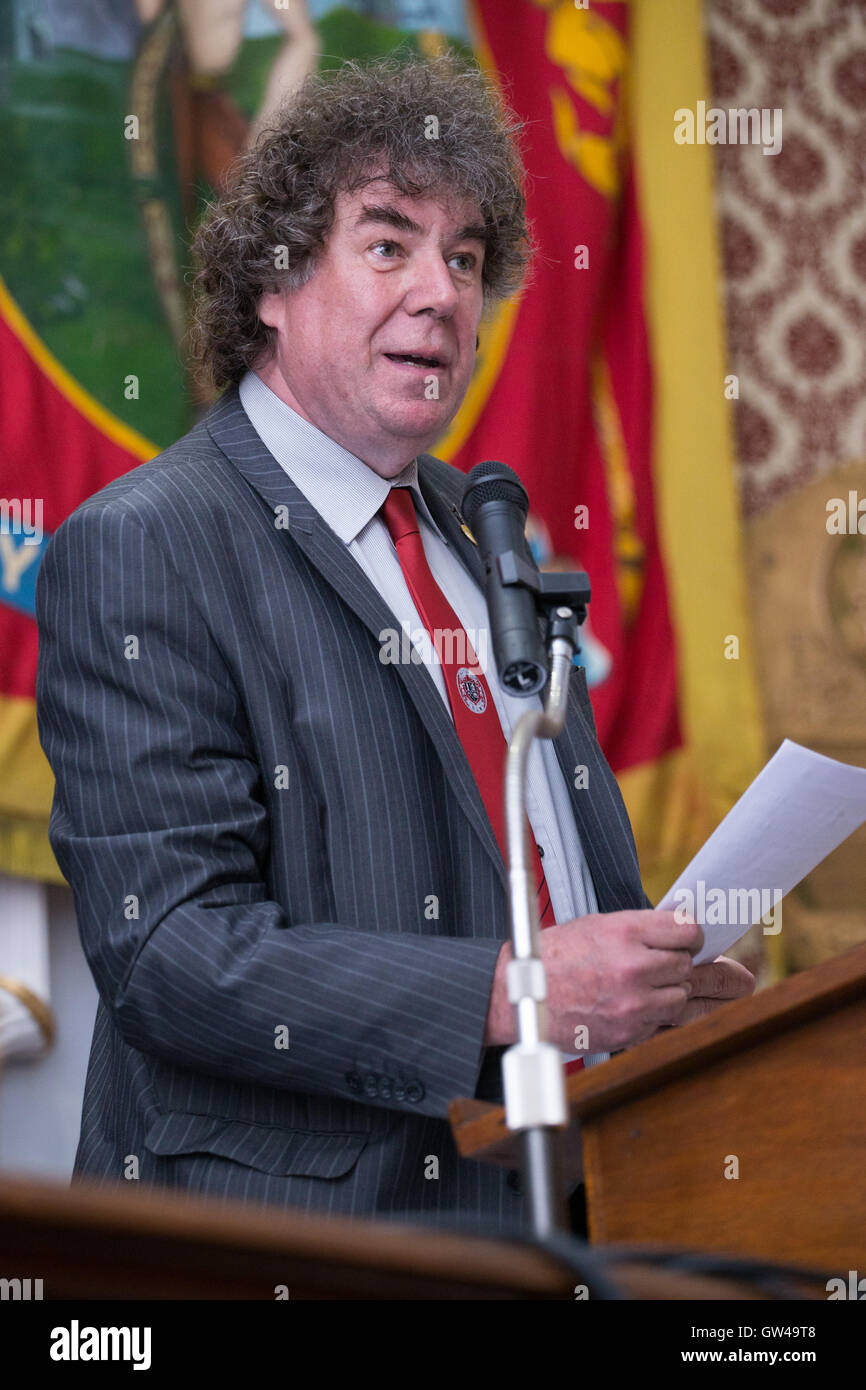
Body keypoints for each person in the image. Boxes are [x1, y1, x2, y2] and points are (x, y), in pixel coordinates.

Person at [35, 55, 753, 1236]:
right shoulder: (148, 546)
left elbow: (529, 856)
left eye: (464, 258)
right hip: (302, 1241)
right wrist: (517, 991)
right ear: (272, 281)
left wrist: (645, 992)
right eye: (387, 244)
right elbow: (170, 952)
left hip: (576, 1211)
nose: (440, 294)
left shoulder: (483, 529)